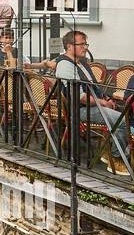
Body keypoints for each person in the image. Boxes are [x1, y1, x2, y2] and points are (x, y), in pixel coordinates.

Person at [55, 30, 128, 165]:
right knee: (123, 121)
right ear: (69, 46)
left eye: (86, 44)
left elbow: (94, 87)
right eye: (81, 44)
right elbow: (80, 97)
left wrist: (106, 99)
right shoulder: (65, 65)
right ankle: (116, 158)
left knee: (130, 115)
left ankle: (116, 153)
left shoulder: (81, 63)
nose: (85, 47)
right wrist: (103, 103)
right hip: (80, 110)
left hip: (91, 106)